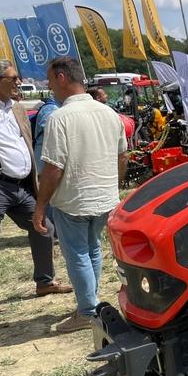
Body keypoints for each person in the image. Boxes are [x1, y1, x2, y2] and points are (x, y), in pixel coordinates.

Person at [32, 57, 128, 333]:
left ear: (62, 77)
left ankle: (87, 311)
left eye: (50, 81)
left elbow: (52, 169)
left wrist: (40, 206)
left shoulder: (59, 118)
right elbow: (122, 157)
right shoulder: (109, 113)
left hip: (73, 200)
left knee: (78, 255)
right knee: (93, 249)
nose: (50, 87)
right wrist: (115, 185)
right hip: (104, 197)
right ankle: (91, 302)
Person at [0, 59, 72, 317]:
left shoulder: (17, 107)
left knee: (43, 228)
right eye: (12, 78)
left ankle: (44, 282)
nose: (19, 82)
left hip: (22, 184)